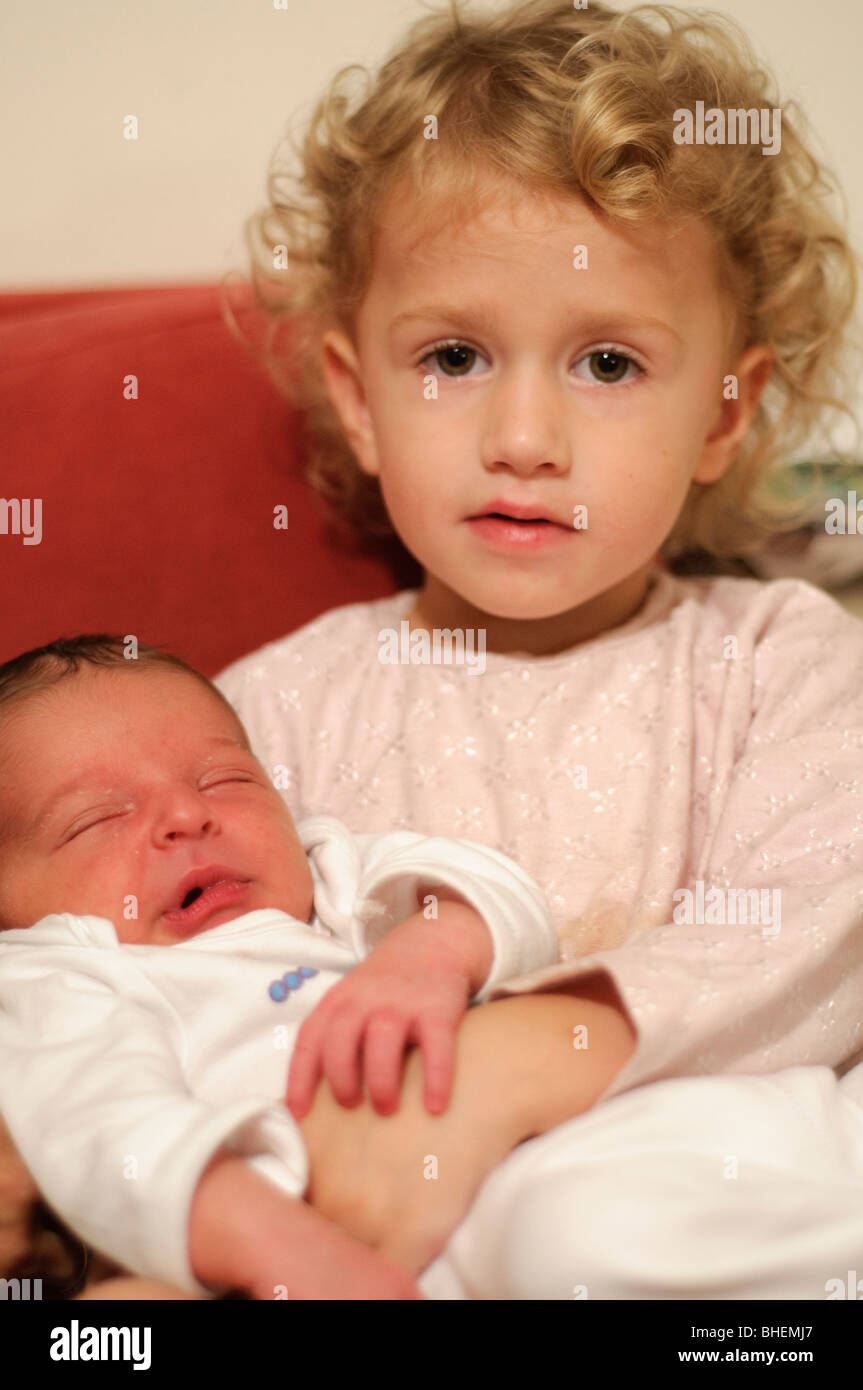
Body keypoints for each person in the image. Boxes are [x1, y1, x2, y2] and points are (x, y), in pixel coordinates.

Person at [201, 0, 863, 1297]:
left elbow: (815, 922)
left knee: (592, 1237)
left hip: (715, 1183)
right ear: (359, 398)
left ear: (721, 415)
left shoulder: (777, 660)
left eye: (606, 362)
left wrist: (517, 1057)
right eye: (452, 354)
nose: (522, 435)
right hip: (398, 1223)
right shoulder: (273, 712)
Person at [0, 634, 634, 1299]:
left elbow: (499, 888)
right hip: (269, 1250)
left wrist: (432, 952)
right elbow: (102, 1127)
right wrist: (284, 1249)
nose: (189, 815)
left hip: (496, 1161)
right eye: (97, 818)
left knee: (616, 1204)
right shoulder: (58, 970)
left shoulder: (327, 874)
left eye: (226, 780)